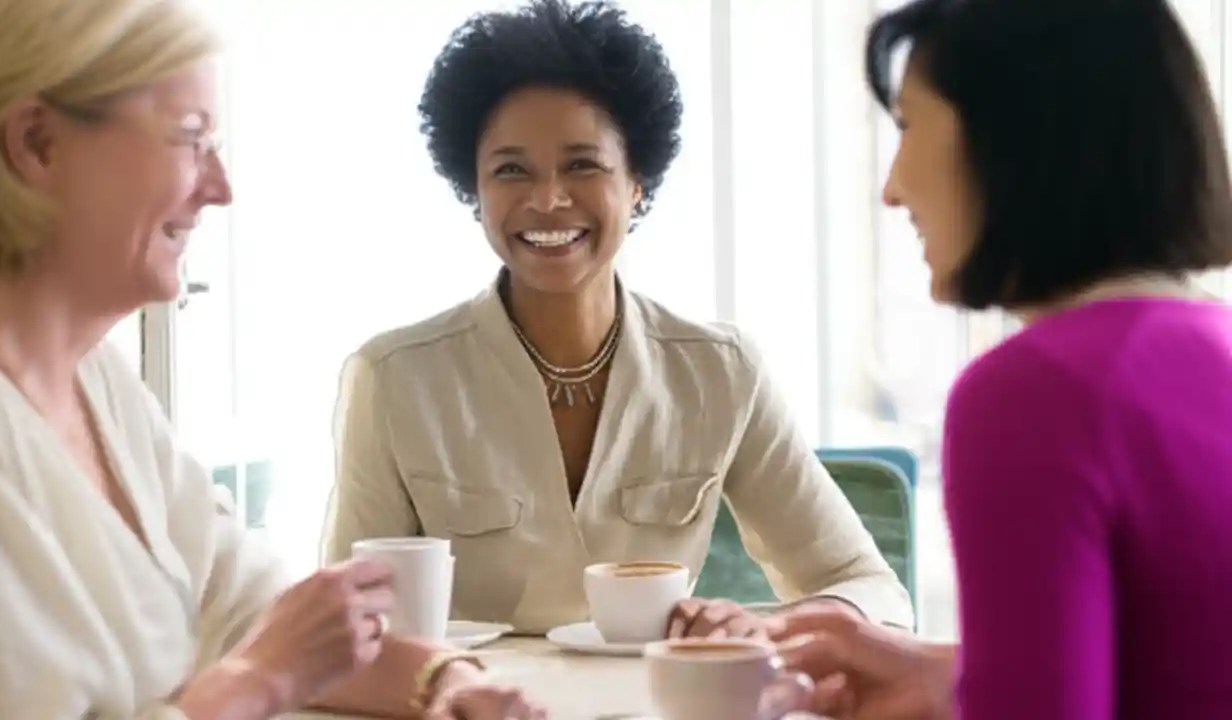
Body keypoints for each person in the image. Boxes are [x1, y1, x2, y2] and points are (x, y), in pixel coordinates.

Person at [0, 1, 544, 718]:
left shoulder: (100, 388)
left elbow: (269, 618)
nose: (220, 188)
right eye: (191, 140)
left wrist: (447, 681)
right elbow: (273, 653)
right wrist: (261, 680)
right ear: (38, 143)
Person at [320, 0, 912, 635]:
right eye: (511, 169)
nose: (548, 199)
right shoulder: (393, 379)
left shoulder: (720, 372)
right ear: (475, 191)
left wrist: (765, 631)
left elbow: (866, 587)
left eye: (583, 164)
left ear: (636, 183)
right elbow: (343, 630)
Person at [764, 0, 1232, 718]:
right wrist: (952, 675)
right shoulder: (1211, 347)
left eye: (910, 125)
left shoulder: (1037, 392)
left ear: (1010, 136)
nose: (892, 189)